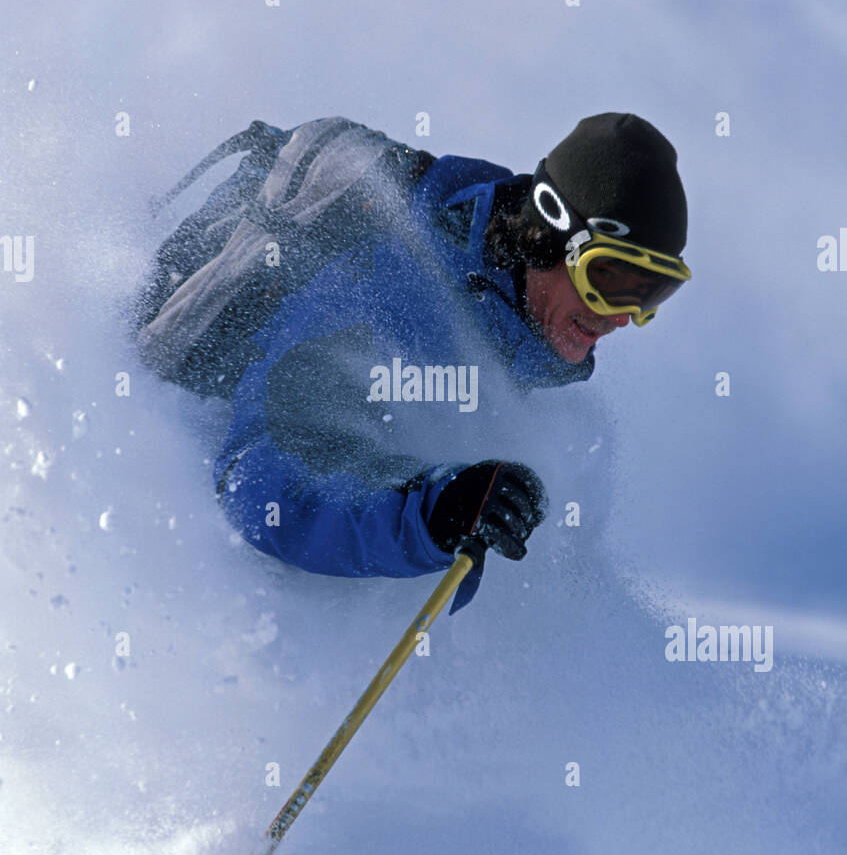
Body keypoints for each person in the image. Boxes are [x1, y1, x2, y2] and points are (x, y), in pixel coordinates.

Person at [137, 111, 690, 598]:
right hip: (179, 509)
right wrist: (435, 506)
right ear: (546, 233)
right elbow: (259, 475)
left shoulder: (503, 285)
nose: (622, 315)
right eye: (608, 277)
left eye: (651, 292)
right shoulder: (391, 285)